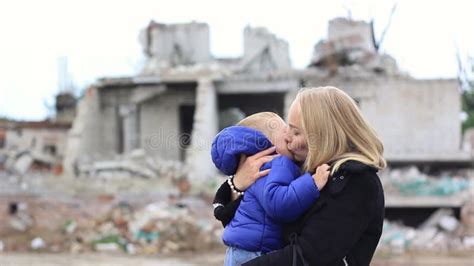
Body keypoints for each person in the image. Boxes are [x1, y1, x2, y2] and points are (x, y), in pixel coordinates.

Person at [215, 86, 386, 266]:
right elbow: (250, 224)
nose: (287, 137)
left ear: (323, 134)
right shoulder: (313, 168)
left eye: (296, 132)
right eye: (288, 128)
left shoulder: (356, 182)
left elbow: (309, 257)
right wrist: (238, 184)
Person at [211, 112, 330, 266]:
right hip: (254, 255)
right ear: (264, 143)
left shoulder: (264, 167)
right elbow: (278, 203)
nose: (289, 136)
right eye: (284, 131)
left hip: (242, 252)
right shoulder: (275, 164)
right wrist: (312, 183)